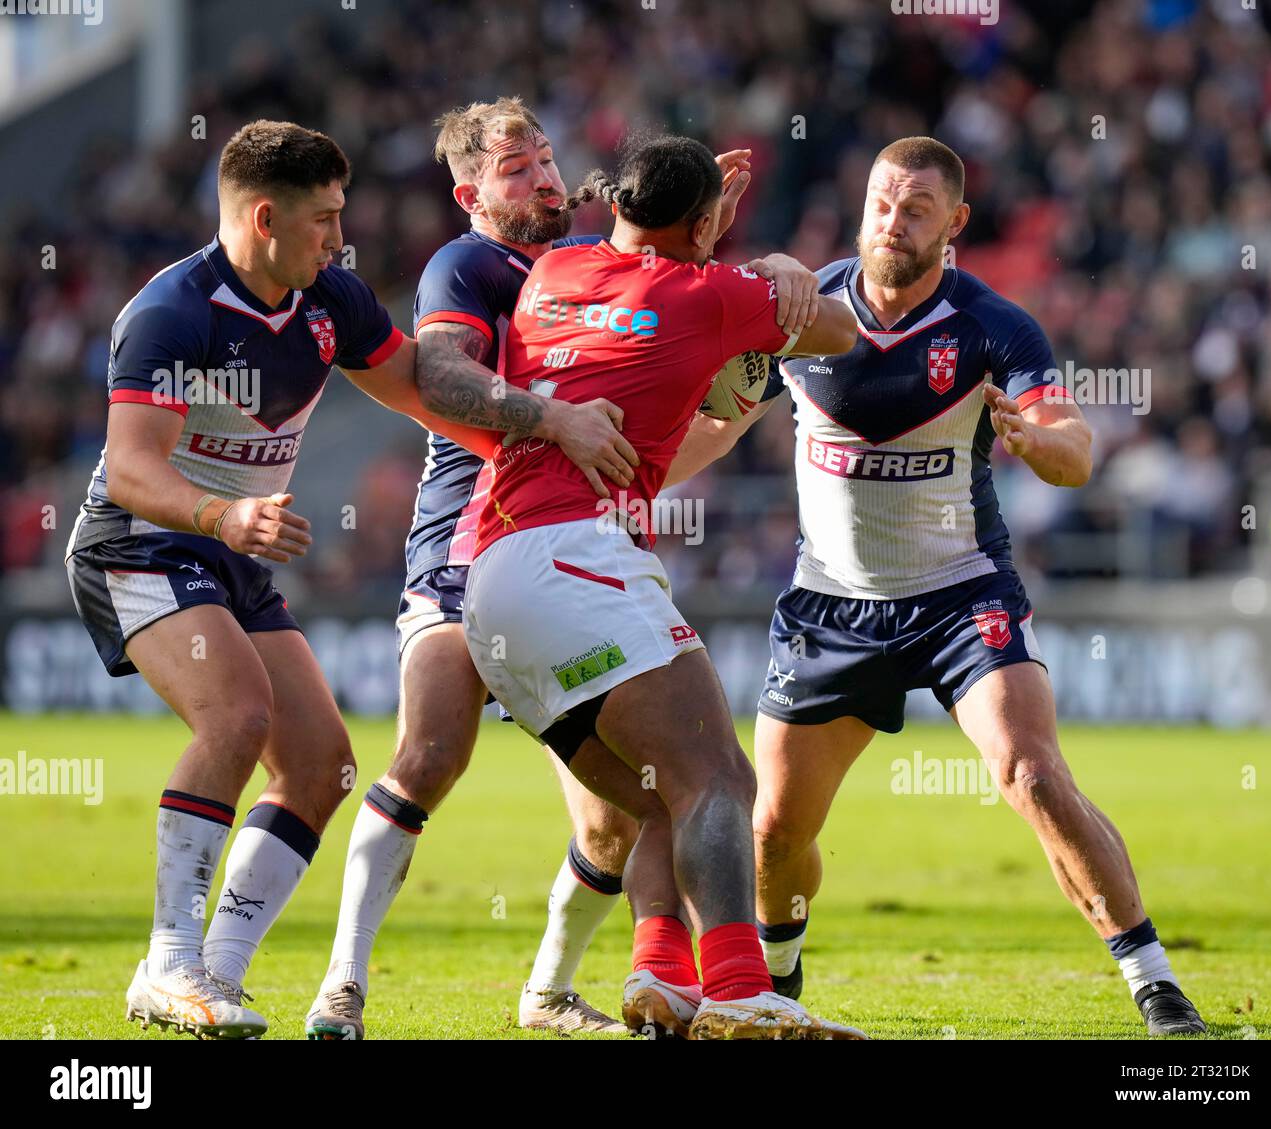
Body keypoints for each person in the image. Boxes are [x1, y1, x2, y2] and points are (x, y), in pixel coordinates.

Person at [65, 118, 631, 1039]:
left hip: (234, 555)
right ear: (262, 218)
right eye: (325, 219)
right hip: (143, 544)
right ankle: (165, 963)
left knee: (323, 767)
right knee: (237, 714)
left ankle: (215, 976)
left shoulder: (332, 299)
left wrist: (551, 428)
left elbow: (430, 393)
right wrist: (223, 514)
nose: (340, 237)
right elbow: (130, 467)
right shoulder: (175, 311)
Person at [666, 136, 1207, 1037]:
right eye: (882, 200)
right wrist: (628, 482)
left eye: (916, 208)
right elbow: (718, 428)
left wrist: (1040, 445)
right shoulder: (799, 306)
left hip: (962, 592)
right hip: (830, 602)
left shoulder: (994, 325)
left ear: (954, 224)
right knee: (771, 833)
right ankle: (783, 972)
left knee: (1031, 773)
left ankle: (1155, 983)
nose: (892, 220)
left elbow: (1075, 445)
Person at [434, 133, 867, 1039]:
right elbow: (839, 329)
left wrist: (707, 234)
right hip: (577, 555)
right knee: (719, 780)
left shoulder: (552, 268)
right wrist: (778, 266)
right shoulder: (710, 293)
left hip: (485, 573)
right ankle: (745, 987)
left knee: (658, 796)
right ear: (705, 223)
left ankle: (662, 976)